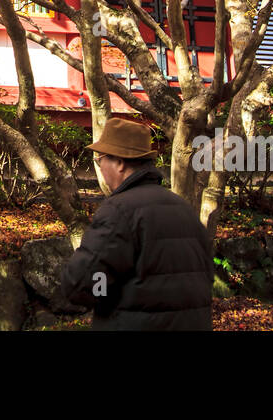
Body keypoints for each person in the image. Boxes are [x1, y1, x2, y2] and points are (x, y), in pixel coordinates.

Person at [59, 117, 213, 329]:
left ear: (120, 163)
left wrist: (103, 291)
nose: (100, 167)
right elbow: (204, 278)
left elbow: (83, 285)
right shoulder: (184, 209)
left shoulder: (118, 211)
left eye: (100, 159)